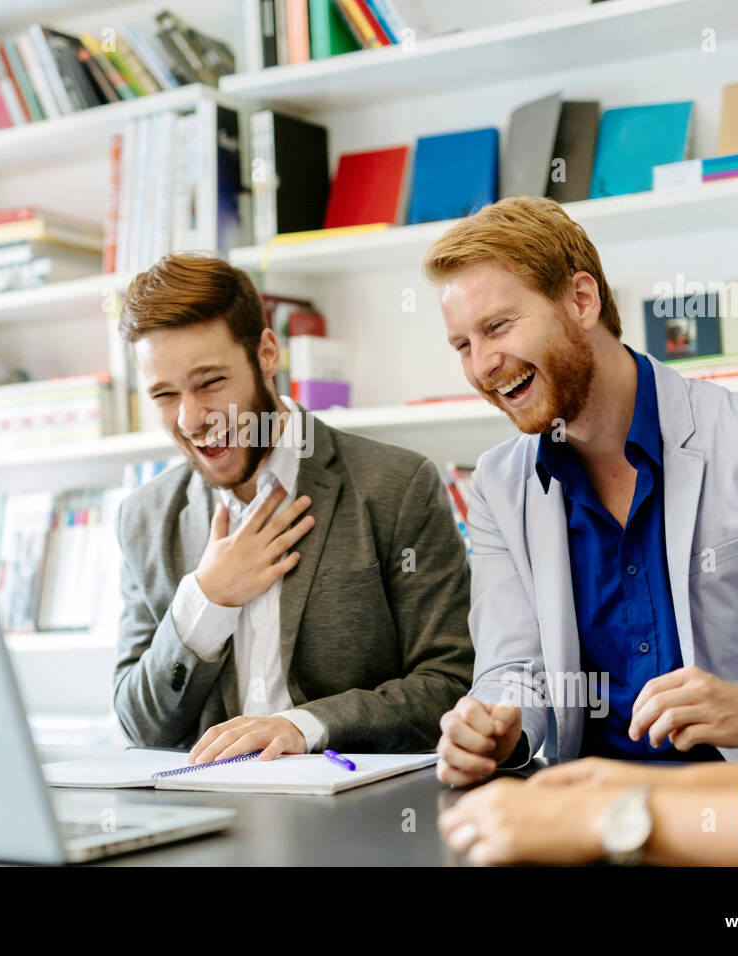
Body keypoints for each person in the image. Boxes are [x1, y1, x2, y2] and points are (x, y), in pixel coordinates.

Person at [437, 71, 738, 867]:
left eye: (499, 326)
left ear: (581, 301)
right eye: (461, 345)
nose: (483, 364)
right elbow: (512, 670)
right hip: (573, 828)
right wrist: (492, 724)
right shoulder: (500, 485)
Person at [112, 253, 474, 761]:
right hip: (213, 815)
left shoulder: (395, 486)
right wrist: (205, 602)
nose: (191, 418)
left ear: (266, 354)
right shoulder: (144, 520)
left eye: (210, 382)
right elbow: (139, 726)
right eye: (165, 394)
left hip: (353, 814)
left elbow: (451, 686)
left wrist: (305, 726)